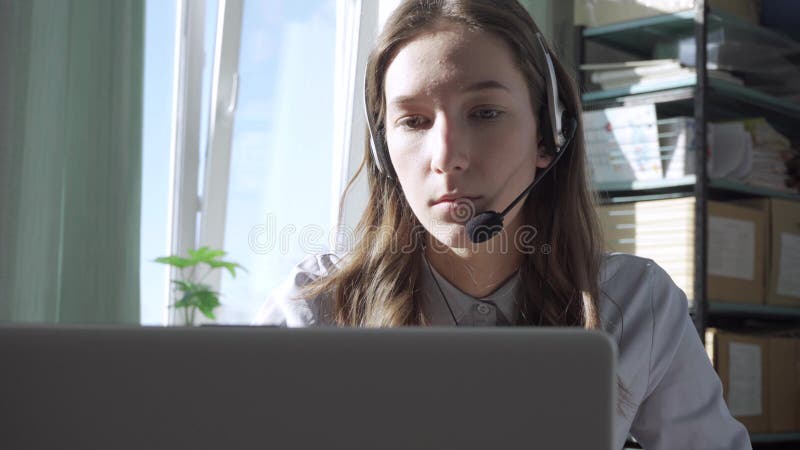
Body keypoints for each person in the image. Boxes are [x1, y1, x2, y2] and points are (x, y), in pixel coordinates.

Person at [253, 1, 752, 448]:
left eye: (485, 112)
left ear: (548, 135)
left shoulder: (637, 302)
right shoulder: (319, 304)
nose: (446, 157)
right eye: (414, 121)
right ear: (385, 152)